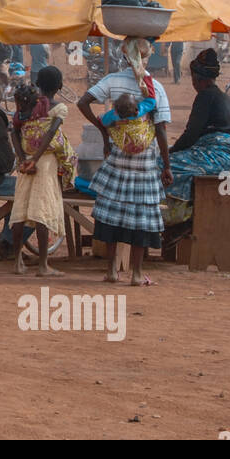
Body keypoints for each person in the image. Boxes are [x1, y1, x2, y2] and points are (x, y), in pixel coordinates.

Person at [77, 37, 172, 286]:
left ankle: (111, 271)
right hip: (144, 165)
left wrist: (104, 131)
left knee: (111, 216)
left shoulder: (112, 80)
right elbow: (160, 130)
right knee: (140, 220)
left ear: (124, 56)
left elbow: (83, 102)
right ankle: (137, 274)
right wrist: (167, 165)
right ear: (147, 58)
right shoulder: (155, 88)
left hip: (117, 162)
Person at [8, 67, 76, 277]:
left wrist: (23, 160)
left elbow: (15, 133)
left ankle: (17, 261)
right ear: (60, 86)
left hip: (26, 162)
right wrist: (36, 159)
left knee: (20, 210)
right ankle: (43, 265)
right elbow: (51, 135)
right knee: (42, 213)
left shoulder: (26, 105)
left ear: (37, 83)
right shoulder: (59, 108)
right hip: (44, 163)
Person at [166, 49, 230, 204]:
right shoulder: (228, 100)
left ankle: (179, 208)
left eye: (193, 80)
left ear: (198, 80)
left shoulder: (205, 96)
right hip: (229, 159)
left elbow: (190, 135)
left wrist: (168, 154)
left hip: (214, 158)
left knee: (160, 165)